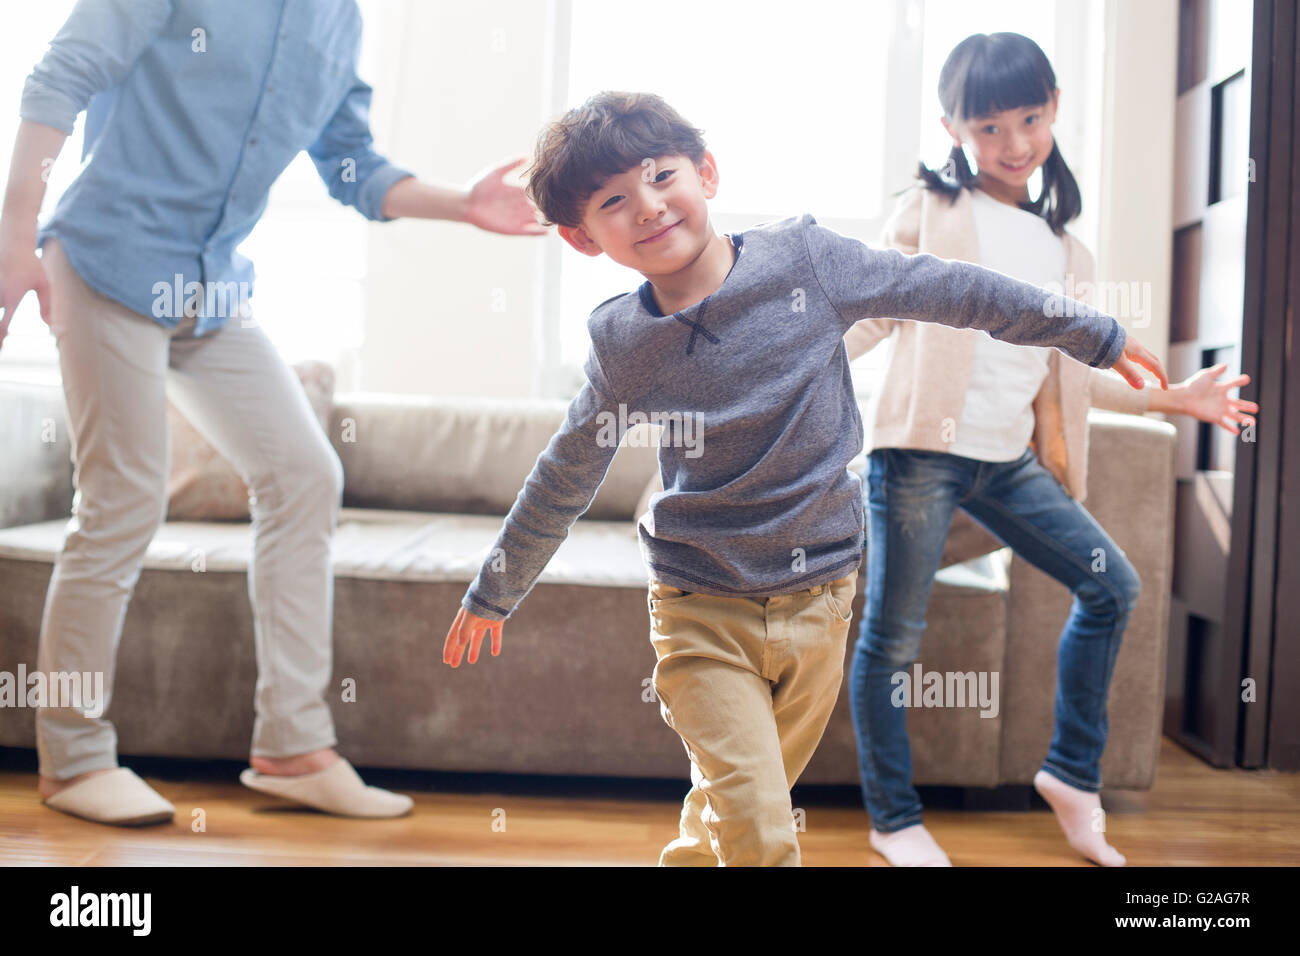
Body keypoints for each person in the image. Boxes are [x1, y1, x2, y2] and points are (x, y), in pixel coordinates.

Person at [440, 90, 1168, 866]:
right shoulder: (624, 345)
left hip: (819, 599)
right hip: (698, 610)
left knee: (737, 802)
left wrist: (1093, 333)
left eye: (661, 176)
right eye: (615, 201)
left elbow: (955, 290)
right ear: (585, 239)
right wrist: (497, 587)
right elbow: (566, 472)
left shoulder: (808, 262)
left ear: (707, 173)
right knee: (762, 829)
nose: (648, 206)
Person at [0, 0, 546, 827]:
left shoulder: (340, 20)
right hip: (107, 256)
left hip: (211, 289)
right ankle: (73, 760)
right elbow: (60, 75)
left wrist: (465, 204)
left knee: (302, 473)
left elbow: (353, 165)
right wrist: (14, 232)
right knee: (123, 500)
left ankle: (292, 746)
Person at [843, 32, 1258, 867]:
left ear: (1056, 108)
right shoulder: (931, 211)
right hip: (920, 452)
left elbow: (1069, 376)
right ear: (952, 128)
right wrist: (787, 365)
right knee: (893, 641)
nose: (1014, 142)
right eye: (988, 127)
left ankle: (1072, 774)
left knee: (1112, 588)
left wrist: (1175, 396)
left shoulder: (1066, 250)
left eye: (1030, 118)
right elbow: (877, 312)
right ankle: (893, 819)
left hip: (1009, 460)